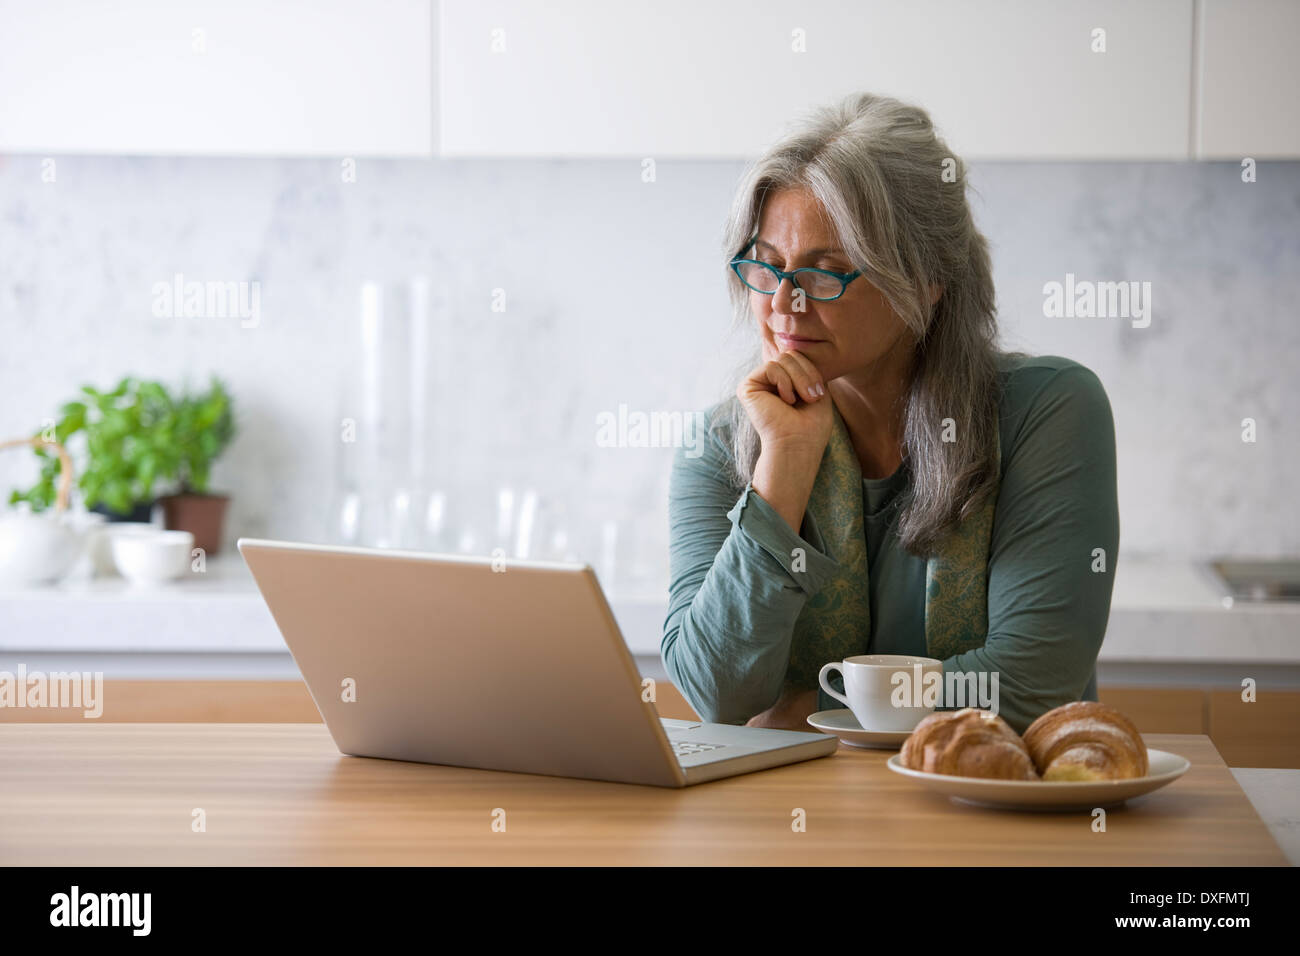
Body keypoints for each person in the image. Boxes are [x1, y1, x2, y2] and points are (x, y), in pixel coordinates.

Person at [661, 92, 1119, 735]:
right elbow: (715, 690)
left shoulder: (1048, 412)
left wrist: (808, 711)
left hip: (992, 815)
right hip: (792, 828)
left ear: (926, 280)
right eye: (767, 266)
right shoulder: (722, 443)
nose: (784, 304)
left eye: (827, 273)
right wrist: (785, 466)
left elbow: (1028, 683)